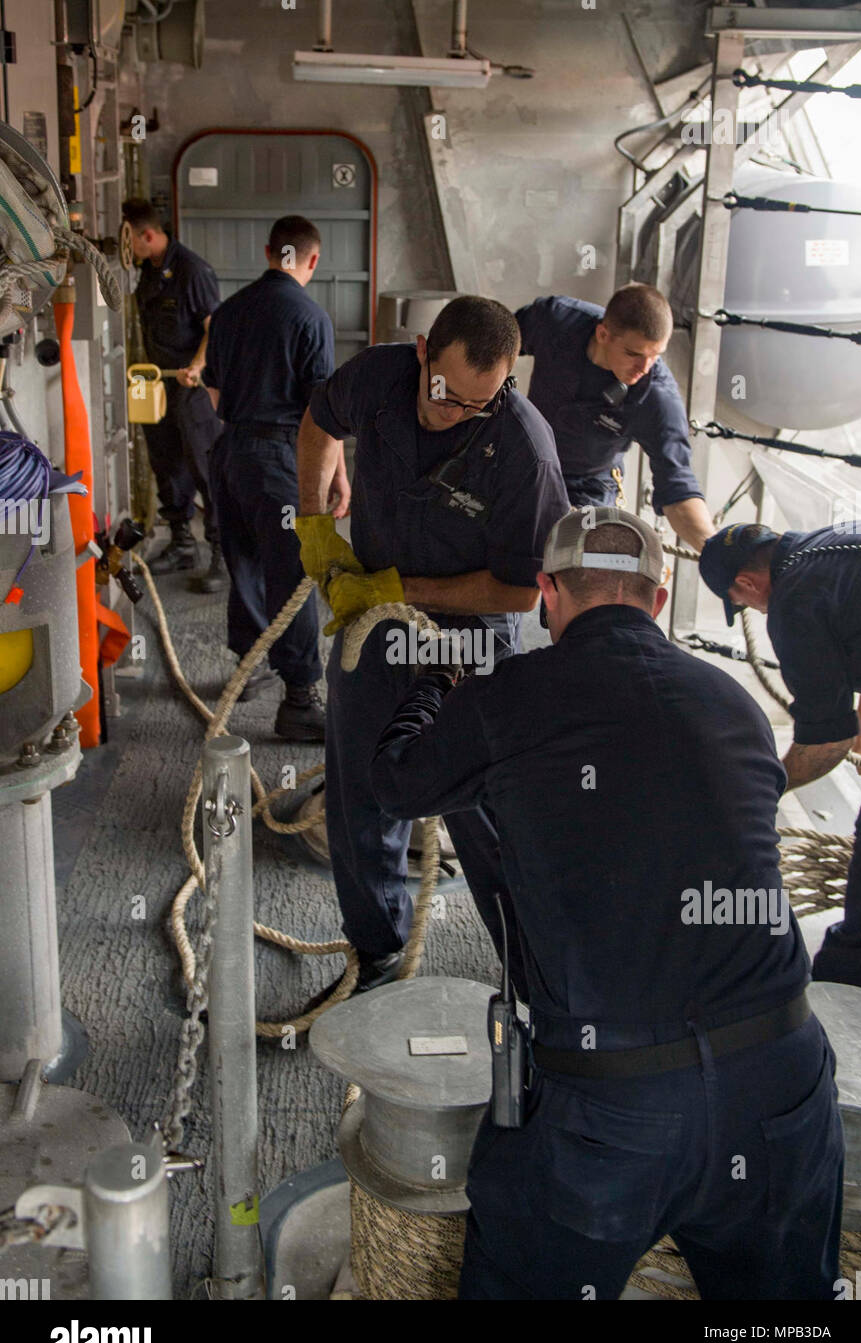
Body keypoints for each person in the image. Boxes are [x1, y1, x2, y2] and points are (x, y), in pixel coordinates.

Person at [370, 508, 843, 1301]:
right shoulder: (731, 703)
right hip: (782, 1080)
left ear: (547, 594)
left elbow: (395, 781)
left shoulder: (507, 697)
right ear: (657, 601)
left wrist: (435, 681)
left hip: (611, 1104)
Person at [294, 295, 569, 1005]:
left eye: (481, 402)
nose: (456, 413)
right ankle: (376, 953)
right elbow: (319, 426)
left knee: (485, 806)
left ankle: (538, 975)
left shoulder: (524, 451)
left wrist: (393, 583)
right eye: (445, 392)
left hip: (469, 637)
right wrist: (314, 523)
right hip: (373, 626)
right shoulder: (375, 379)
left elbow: (516, 594)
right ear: (421, 352)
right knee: (359, 787)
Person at [700, 519, 861, 992]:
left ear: (746, 583)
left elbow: (826, 743)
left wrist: (758, 790)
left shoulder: (794, 603)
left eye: (742, 603)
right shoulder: (832, 544)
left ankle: (853, 981)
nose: (753, 608)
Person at [201, 216, 338, 739]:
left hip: (230, 452)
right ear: (313, 259)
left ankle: (249, 664)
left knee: (247, 563)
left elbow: (213, 394)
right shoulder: (310, 317)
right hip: (280, 455)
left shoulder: (229, 313)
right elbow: (322, 414)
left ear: (267, 252)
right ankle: (300, 700)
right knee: (295, 573)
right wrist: (329, 481)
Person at [514, 284, 714, 553]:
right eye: (634, 354)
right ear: (603, 333)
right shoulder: (556, 321)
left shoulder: (656, 397)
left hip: (586, 489)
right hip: (526, 459)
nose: (644, 368)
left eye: (655, 356)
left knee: (559, 562)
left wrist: (715, 550)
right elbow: (495, 345)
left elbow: (678, 490)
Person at [122, 198, 224, 591]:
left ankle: (220, 551)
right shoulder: (148, 270)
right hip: (156, 382)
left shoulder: (192, 270)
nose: (126, 247)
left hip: (190, 384)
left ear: (148, 235)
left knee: (205, 467)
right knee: (166, 461)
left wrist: (197, 366)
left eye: (130, 239)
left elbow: (214, 325)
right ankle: (182, 543)